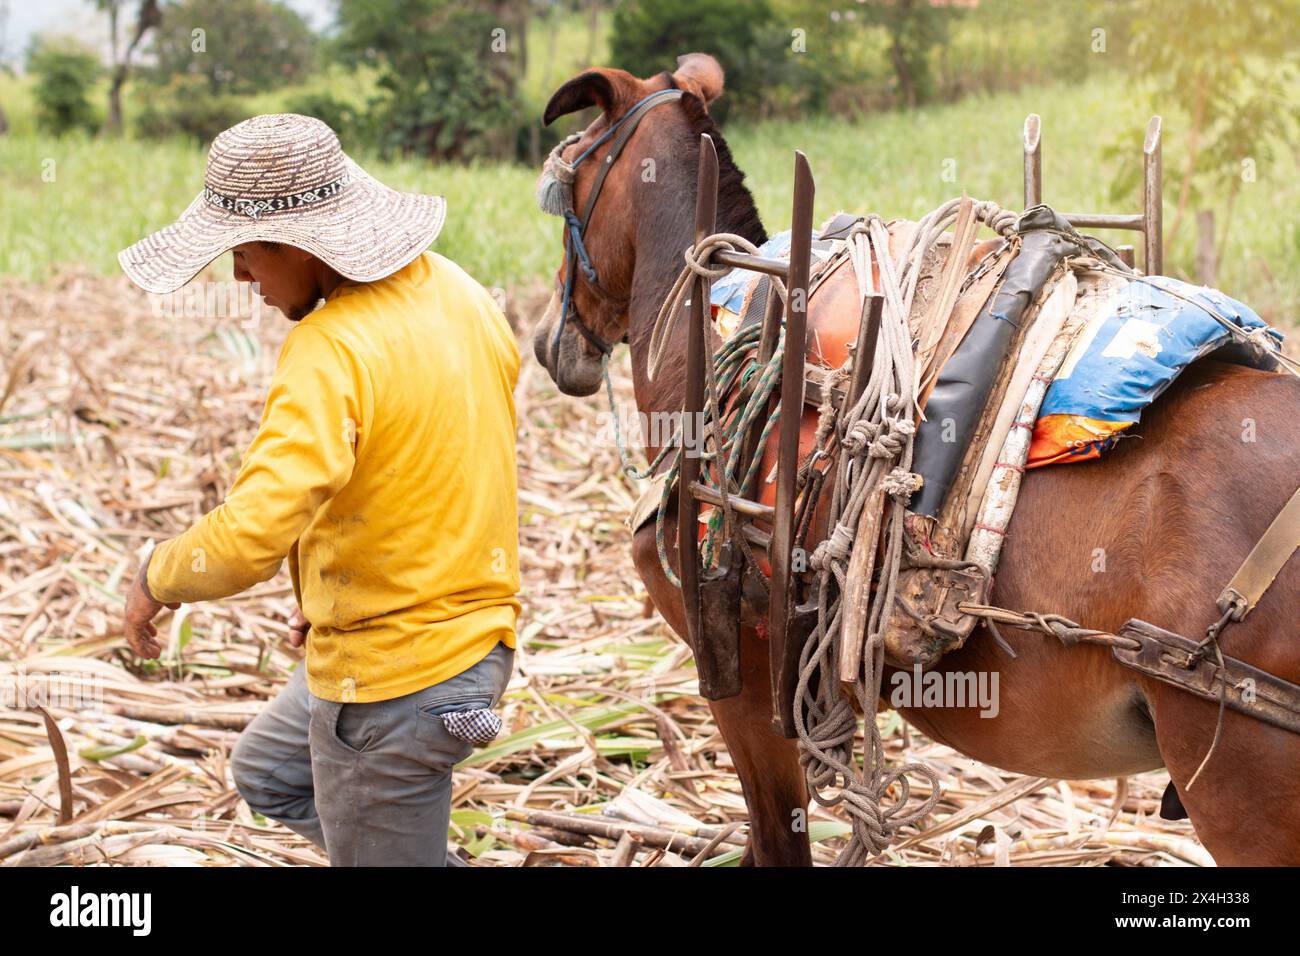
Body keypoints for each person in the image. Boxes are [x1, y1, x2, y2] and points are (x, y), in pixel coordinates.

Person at [118, 113, 520, 866]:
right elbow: (431, 460)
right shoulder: (461, 293)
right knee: (270, 772)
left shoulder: (328, 348)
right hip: (474, 656)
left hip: (397, 685)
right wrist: (336, 593)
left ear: (302, 245)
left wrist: (154, 576)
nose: (241, 278)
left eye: (245, 253)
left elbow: (248, 537)